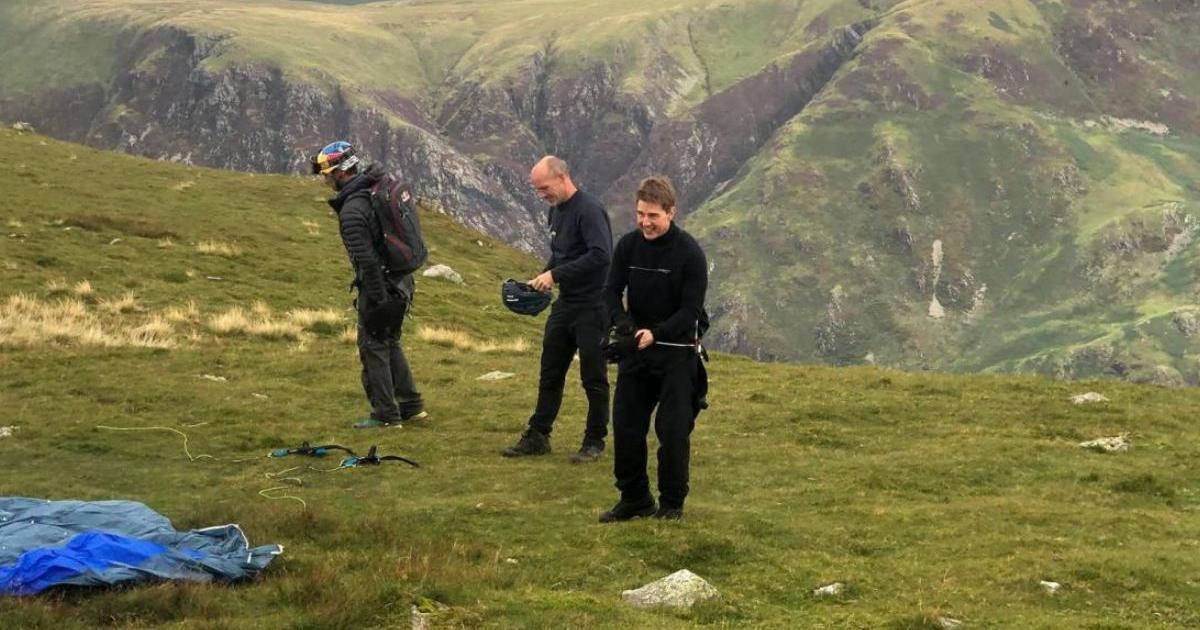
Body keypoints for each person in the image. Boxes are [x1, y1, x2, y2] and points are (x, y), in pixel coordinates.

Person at [599, 176, 708, 522]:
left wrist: (655, 333)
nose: (645, 222)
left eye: (653, 216)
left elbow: (690, 312)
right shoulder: (628, 247)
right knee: (627, 426)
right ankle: (634, 499)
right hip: (637, 350)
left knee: (672, 432)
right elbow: (611, 292)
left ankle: (672, 505)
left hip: (676, 352)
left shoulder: (690, 253)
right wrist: (626, 327)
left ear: (671, 213)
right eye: (640, 214)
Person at [502, 156, 613, 463]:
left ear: (563, 177)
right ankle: (538, 435)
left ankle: (594, 442)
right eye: (538, 190)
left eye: (545, 188)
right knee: (550, 370)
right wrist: (542, 277)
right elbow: (562, 255)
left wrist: (555, 275)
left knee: (593, 376)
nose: (542, 195)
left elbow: (601, 256)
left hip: (593, 305)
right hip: (566, 304)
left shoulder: (589, 210)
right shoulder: (556, 212)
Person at [311, 140, 426, 429]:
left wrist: (377, 299)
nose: (324, 180)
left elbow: (366, 260)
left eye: (326, 174)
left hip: (380, 285)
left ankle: (386, 415)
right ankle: (412, 406)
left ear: (339, 172)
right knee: (390, 341)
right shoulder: (375, 189)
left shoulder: (352, 210)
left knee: (372, 346)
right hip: (402, 281)